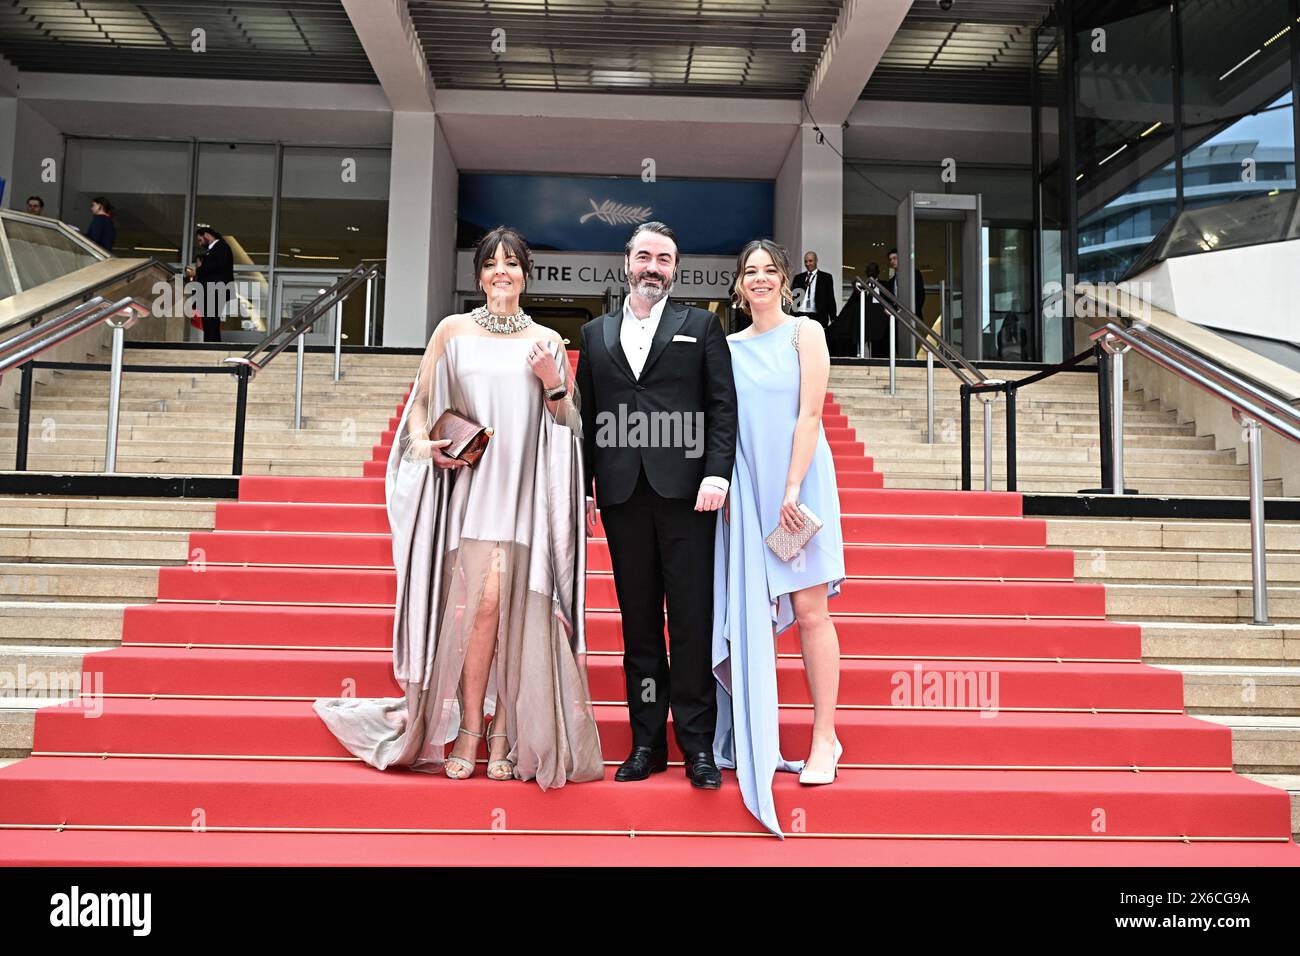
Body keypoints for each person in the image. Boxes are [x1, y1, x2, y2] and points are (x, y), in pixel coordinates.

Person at [314, 225, 603, 788]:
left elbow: (569, 427)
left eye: (513, 263)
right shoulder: (452, 331)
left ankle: (503, 730)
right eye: (492, 263)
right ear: (478, 276)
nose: (502, 271)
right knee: (488, 602)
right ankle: (472, 724)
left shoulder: (545, 341)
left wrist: (553, 383)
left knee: (521, 613)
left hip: (527, 495)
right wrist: (424, 447)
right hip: (472, 491)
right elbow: (422, 404)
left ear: (525, 274)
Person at [575, 221, 736, 790]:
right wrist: (588, 486)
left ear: (675, 268)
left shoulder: (703, 326)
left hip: (689, 498)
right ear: (626, 263)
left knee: (690, 622)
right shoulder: (595, 335)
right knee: (639, 625)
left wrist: (717, 473)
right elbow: (588, 420)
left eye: (664, 259)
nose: (653, 267)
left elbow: (722, 409)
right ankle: (646, 741)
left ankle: (697, 745)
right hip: (622, 498)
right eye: (644, 256)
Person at [714, 239, 845, 838]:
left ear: (785, 280)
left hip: (800, 485)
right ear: (739, 285)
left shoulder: (806, 333)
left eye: (770, 271)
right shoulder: (727, 345)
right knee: (745, 616)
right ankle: (754, 732)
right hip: (747, 492)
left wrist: (791, 491)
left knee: (810, 611)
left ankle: (825, 737)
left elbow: (810, 415)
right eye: (750, 272)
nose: (760, 279)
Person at [185, 225, 234, 342]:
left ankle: (211, 347)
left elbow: (219, 265)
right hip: (211, 291)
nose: (200, 244)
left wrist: (198, 270)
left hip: (215, 290)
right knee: (209, 322)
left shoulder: (221, 247)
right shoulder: (213, 250)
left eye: (200, 240)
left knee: (211, 322)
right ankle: (212, 346)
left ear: (207, 235)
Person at [791, 251, 838, 330]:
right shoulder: (798, 278)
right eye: (805, 261)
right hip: (799, 314)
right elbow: (793, 297)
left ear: (816, 260)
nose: (807, 264)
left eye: (810, 261)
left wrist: (833, 318)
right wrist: (791, 314)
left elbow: (830, 298)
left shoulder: (826, 278)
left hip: (817, 316)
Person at [887, 247, 925, 315]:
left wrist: (913, 312)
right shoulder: (891, 281)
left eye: (895, 258)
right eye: (890, 259)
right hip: (897, 316)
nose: (892, 261)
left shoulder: (914, 274)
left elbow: (920, 295)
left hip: (913, 315)